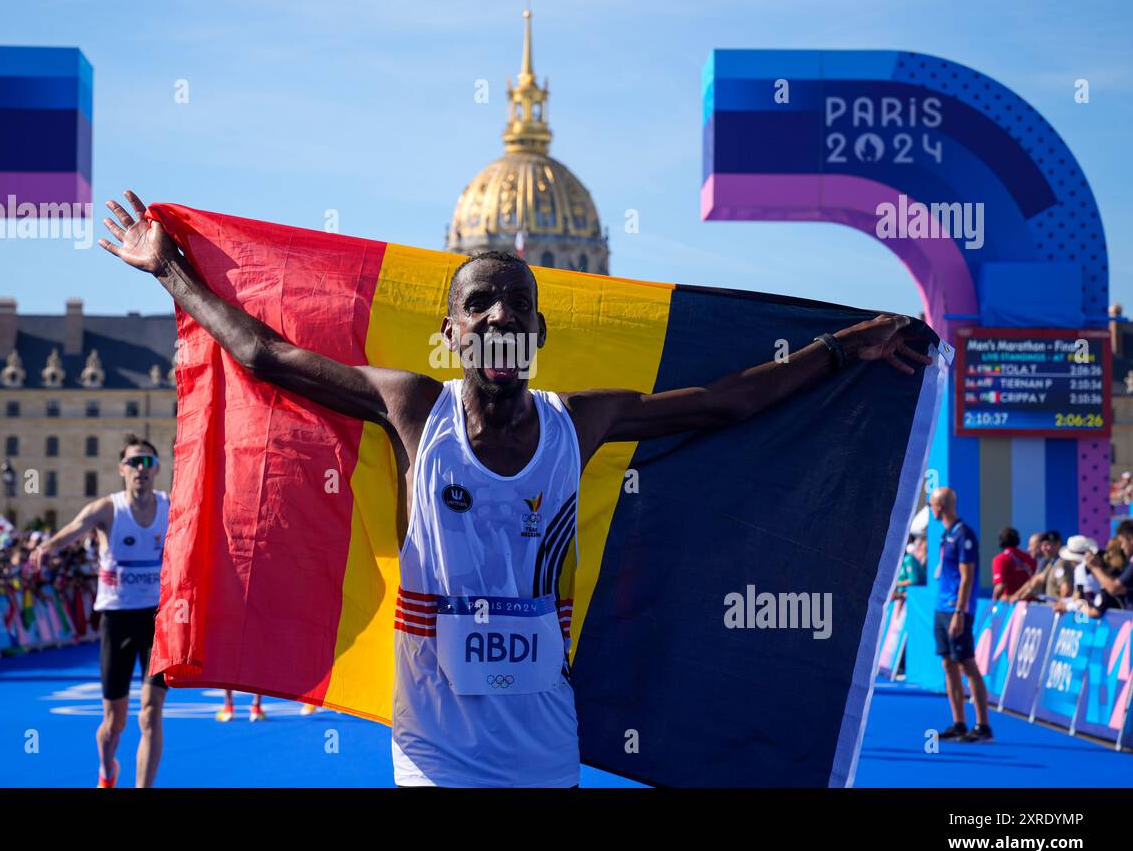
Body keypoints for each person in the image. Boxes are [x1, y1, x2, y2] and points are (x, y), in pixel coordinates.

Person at [98, 189, 932, 787]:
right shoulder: (412, 409)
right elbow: (265, 357)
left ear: (536, 332)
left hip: (542, 750)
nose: (498, 318)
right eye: (479, 307)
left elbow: (726, 402)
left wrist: (845, 345)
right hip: (434, 753)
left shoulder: (580, 423)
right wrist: (169, 272)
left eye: (514, 307)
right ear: (452, 333)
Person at [30, 436, 170, 788]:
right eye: (134, 462)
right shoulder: (107, 509)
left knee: (151, 714)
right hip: (117, 617)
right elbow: (73, 531)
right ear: (122, 469)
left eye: (147, 463)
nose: (141, 469)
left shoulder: (171, 505)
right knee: (115, 722)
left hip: (158, 618)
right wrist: (48, 546)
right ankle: (108, 769)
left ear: (156, 469)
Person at [929, 487, 992, 743]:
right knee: (948, 664)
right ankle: (958, 722)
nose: (931, 509)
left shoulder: (964, 534)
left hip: (957, 609)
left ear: (940, 506)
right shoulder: (947, 535)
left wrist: (959, 612)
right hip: (941, 607)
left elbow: (967, 578)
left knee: (967, 664)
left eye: (932, 504)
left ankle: (983, 725)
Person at [990, 527, 1035, 601]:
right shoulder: (1030, 558)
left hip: (1011, 606)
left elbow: (1000, 586)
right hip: (1030, 604)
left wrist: (992, 605)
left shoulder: (1000, 559)